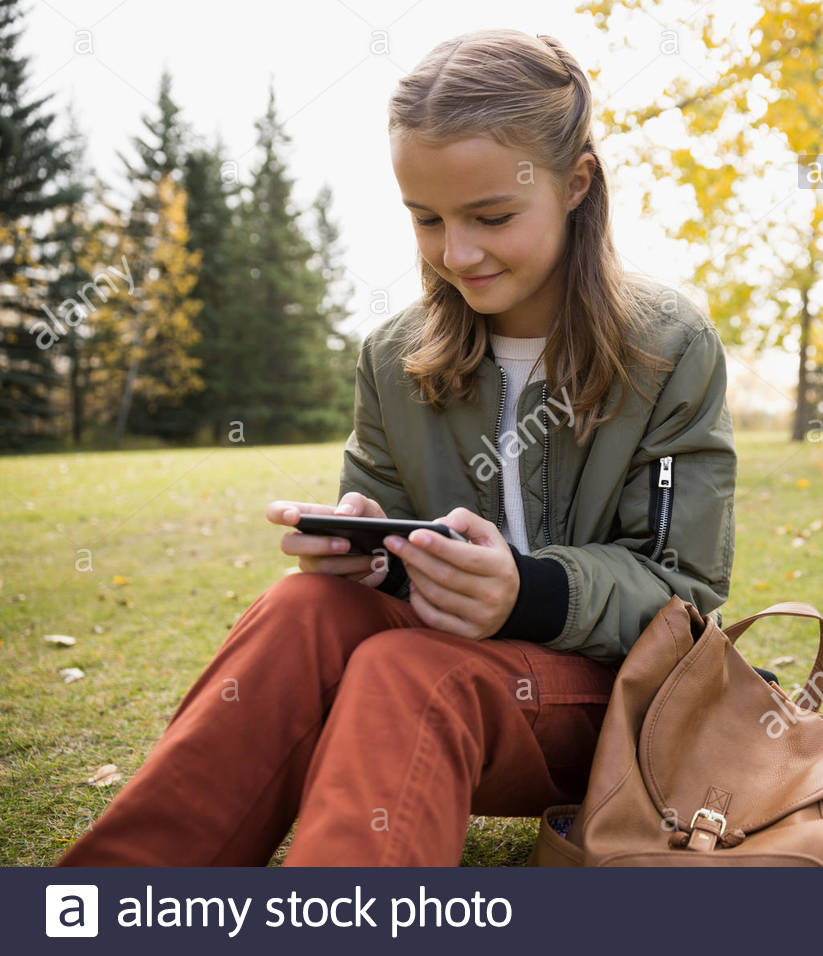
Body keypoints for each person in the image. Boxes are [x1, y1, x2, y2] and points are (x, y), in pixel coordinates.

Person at [56, 28, 736, 867]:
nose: (457, 254)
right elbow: (380, 525)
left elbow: (687, 595)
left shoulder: (670, 346)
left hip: (607, 707)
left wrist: (528, 593)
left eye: (491, 217)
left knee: (413, 670)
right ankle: (113, 898)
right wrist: (367, 548)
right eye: (427, 219)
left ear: (575, 184)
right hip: (443, 674)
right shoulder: (393, 355)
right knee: (301, 609)